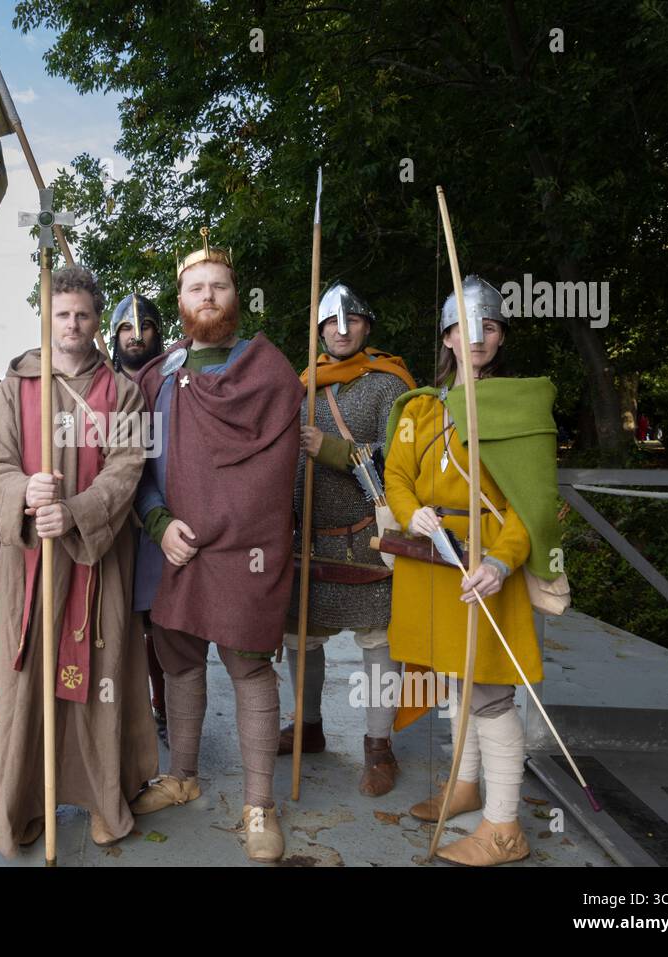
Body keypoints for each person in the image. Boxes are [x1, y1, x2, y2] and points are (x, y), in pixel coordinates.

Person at [129, 231, 303, 862]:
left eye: (219, 285)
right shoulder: (157, 377)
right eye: (196, 287)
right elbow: (135, 470)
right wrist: (158, 524)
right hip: (171, 549)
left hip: (247, 553)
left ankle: (259, 804)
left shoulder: (270, 372)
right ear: (179, 300)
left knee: (251, 670)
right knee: (178, 666)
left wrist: (228, 530)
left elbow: (274, 475)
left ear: (237, 296)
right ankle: (183, 775)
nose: (208, 295)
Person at [0, 265, 156, 856]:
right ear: (45, 319)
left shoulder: (122, 390)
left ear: (96, 319)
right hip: (30, 564)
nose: (72, 324)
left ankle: (106, 800)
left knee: (101, 679)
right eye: (62, 315)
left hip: (97, 560)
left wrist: (75, 511)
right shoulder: (16, 385)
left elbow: (129, 466)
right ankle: (21, 807)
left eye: (82, 314)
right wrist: (25, 494)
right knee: (27, 681)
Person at [384, 276, 562, 866]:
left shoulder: (518, 406)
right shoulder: (422, 407)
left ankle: (504, 827)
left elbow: (531, 504)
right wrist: (415, 520)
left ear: (499, 335)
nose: (477, 335)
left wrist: (503, 560)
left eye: (489, 324)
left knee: (488, 689)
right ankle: (464, 786)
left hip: (487, 565)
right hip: (434, 558)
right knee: (457, 679)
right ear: (449, 337)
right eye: (465, 325)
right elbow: (398, 477)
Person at [282, 283, 416, 798]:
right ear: (319, 331)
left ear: (367, 327)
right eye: (331, 322)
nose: (341, 329)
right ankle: (308, 727)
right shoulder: (301, 387)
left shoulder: (389, 385)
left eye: (352, 320)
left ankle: (378, 749)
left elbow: (407, 457)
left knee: (378, 643)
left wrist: (336, 450)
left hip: (367, 537)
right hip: (308, 538)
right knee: (300, 638)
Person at [110, 292, 169, 743]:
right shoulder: (98, 386)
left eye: (144, 326)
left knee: (163, 622)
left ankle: (165, 707)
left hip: (163, 512)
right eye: (126, 328)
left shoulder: (175, 379)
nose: (135, 335)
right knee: (118, 622)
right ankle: (122, 715)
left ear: (157, 332)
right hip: (111, 518)